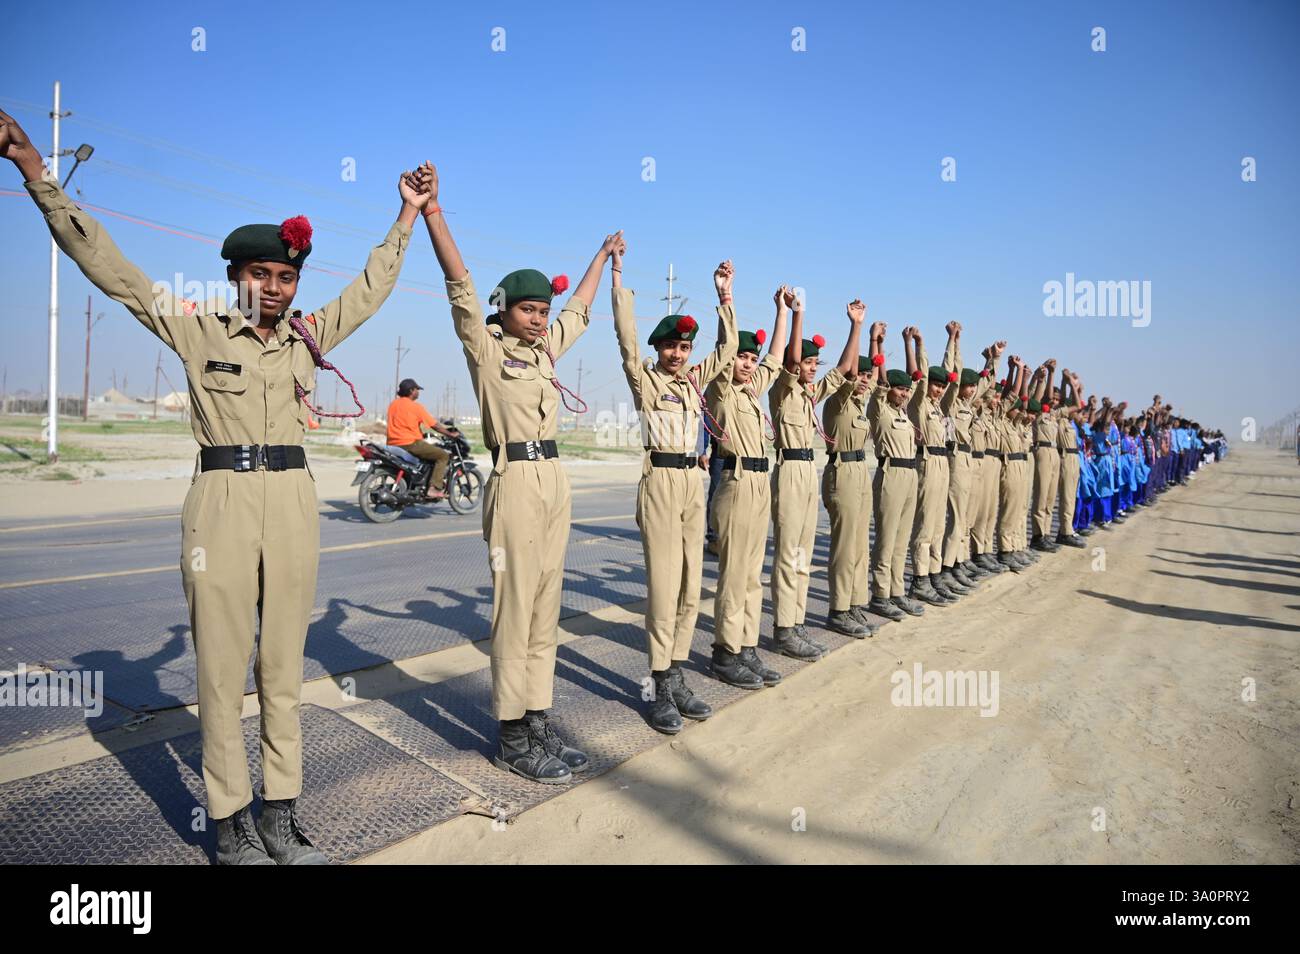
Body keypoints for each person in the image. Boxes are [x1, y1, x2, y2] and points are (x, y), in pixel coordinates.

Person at [2, 108, 424, 864]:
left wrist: (406, 217)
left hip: (293, 502)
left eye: (285, 275)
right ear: (235, 277)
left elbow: (371, 288)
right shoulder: (196, 330)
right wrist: (39, 173)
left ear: (296, 283)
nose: (272, 286)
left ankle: (281, 813)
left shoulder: (308, 337)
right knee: (222, 669)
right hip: (222, 503)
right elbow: (113, 268)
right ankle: (228, 818)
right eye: (259, 274)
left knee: (284, 668)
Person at [416, 160, 618, 783]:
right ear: (505, 313)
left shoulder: (547, 351)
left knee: (545, 608)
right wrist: (432, 213)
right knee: (513, 609)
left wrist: (602, 257)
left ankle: (537, 718)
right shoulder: (486, 347)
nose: (536, 318)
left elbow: (582, 310)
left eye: (541, 309)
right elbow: (461, 286)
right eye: (526, 309)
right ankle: (510, 732)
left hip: (554, 481)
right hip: (513, 482)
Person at [612, 250, 736, 734]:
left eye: (684, 348)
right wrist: (619, 276)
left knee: (689, 586)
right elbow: (625, 341)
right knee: (663, 588)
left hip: (693, 482)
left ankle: (677, 671)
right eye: (671, 348)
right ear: (659, 348)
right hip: (660, 481)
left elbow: (726, 353)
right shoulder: (647, 379)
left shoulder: (693, 383)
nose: (679, 355)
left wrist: (724, 297)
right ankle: (659, 683)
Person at [769, 294, 865, 653]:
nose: (811, 368)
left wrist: (856, 326)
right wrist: (798, 314)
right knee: (788, 553)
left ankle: (796, 623)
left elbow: (843, 369)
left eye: (814, 363)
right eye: (808, 363)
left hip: (808, 468)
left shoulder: (810, 395)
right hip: (790, 468)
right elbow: (790, 360)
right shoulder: (783, 389)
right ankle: (783, 628)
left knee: (803, 555)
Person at [706, 286, 791, 689]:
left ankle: (747, 646)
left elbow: (775, 357)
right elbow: (725, 348)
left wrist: (782, 312)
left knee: (752, 576)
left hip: (760, 483)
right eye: (742, 355)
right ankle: (725, 652)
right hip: (736, 482)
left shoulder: (752, 393)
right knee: (735, 573)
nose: (747, 362)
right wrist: (726, 298)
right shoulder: (721, 388)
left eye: (750, 358)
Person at [820, 313, 881, 638]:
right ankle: (838, 609)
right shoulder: (840, 401)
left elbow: (877, 383)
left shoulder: (860, 405)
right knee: (844, 546)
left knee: (859, 544)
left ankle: (855, 603)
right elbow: (846, 373)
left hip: (860, 470)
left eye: (868, 376)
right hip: (841, 470)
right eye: (861, 375)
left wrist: (876, 344)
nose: (864, 380)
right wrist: (857, 326)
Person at [866, 325, 926, 620]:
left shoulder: (903, 411)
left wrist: (909, 344)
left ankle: (896, 591)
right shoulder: (880, 409)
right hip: (890, 474)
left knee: (902, 539)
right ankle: (879, 594)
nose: (903, 393)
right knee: (887, 539)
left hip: (910, 474)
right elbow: (880, 381)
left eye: (904, 390)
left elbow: (916, 379)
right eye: (898, 388)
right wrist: (876, 341)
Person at [939, 330, 1000, 591]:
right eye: (969, 385)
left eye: (974, 386)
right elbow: (951, 371)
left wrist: (994, 360)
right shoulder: (951, 403)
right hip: (955, 459)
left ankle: (957, 562)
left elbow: (987, 384)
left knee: (964, 515)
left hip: (968, 460)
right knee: (955, 516)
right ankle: (947, 567)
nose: (973, 389)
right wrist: (954, 341)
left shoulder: (968, 404)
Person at [908, 324, 962, 605]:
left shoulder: (940, 409)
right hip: (926, 462)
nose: (939, 389)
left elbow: (954, 377)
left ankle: (935, 573)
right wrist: (920, 345)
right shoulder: (918, 404)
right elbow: (924, 375)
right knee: (926, 523)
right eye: (936, 384)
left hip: (942, 463)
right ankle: (919, 579)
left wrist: (953, 341)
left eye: (942, 386)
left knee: (939, 523)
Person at [385, 378, 461, 499]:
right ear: (411, 391)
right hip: (410, 443)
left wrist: (421, 433)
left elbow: (403, 424)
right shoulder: (416, 407)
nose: (418, 392)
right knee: (443, 456)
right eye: (417, 389)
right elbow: (434, 425)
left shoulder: (393, 405)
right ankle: (433, 488)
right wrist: (450, 434)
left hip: (392, 443)